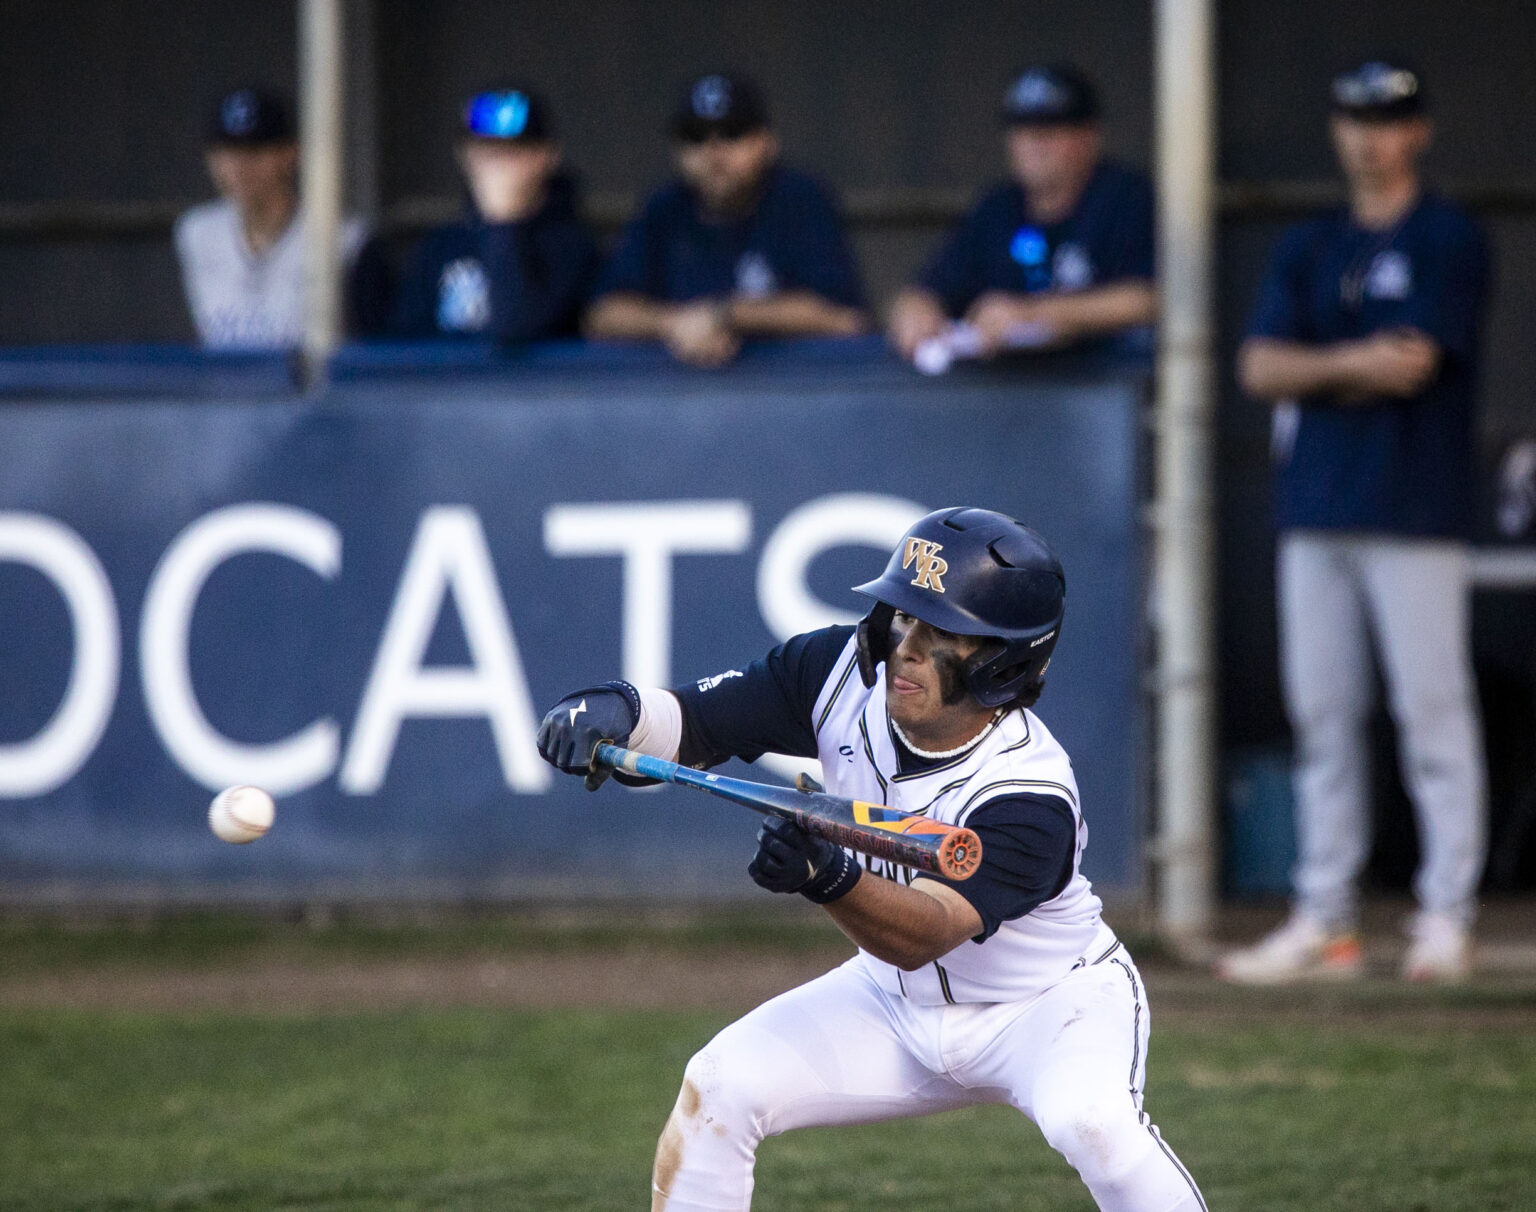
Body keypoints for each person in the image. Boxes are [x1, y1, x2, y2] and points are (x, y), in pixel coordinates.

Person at [537, 508, 1206, 1212]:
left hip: (1046, 1010)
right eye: (903, 618)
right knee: (721, 1084)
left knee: (1095, 1127)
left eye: (942, 631)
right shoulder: (836, 676)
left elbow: (924, 934)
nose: (905, 648)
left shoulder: (1030, 794)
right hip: (893, 1004)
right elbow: (698, 722)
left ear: (1004, 664)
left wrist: (826, 877)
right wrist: (618, 710)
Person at [1220, 61, 1490, 985]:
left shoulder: (1448, 235)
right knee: (1323, 716)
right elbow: (1256, 369)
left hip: (1414, 509)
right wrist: (1355, 359)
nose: (1371, 137)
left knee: (1432, 713)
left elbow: (1412, 365)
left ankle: (1445, 915)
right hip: (1318, 508)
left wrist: (1321, 366)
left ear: (1418, 130)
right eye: (1356, 119)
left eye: (1390, 120)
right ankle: (1326, 919)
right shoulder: (1313, 242)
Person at [584, 73, 867, 367]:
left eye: (732, 133)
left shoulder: (799, 199)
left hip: (796, 393)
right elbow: (603, 315)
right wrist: (677, 324)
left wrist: (726, 316)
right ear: (676, 149)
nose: (714, 152)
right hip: (684, 400)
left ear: (767, 141)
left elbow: (844, 319)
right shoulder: (664, 208)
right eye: (696, 136)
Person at [888, 64, 1155, 366]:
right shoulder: (997, 208)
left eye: (1049, 132)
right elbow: (925, 290)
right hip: (1008, 398)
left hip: (1105, 388)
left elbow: (1148, 299)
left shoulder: (1124, 197)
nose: (1034, 146)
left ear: (1088, 137)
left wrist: (1031, 314)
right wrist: (916, 310)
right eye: (1023, 131)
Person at [359, 86, 600, 341]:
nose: (495, 168)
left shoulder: (572, 247)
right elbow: (402, 345)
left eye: (511, 153)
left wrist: (503, 222)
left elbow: (514, 330)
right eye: (485, 153)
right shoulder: (439, 245)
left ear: (547, 156)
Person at [174, 87, 362, 349]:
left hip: (307, 390)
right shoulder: (198, 233)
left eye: (254, 152)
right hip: (225, 388)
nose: (238, 168)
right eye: (226, 152)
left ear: (291, 154)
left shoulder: (345, 237)